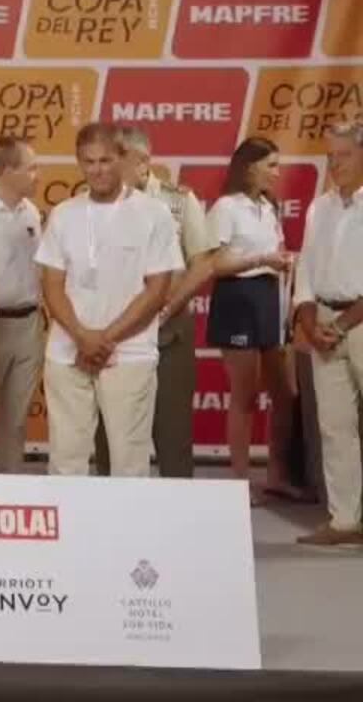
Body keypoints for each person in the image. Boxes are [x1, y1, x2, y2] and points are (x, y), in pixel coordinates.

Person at [35, 122, 183, 478]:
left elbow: (157, 289)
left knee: (128, 460)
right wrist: (83, 337)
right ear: (79, 163)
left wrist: (105, 339)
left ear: (123, 159)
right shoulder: (64, 214)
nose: (97, 170)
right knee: (65, 458)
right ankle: (69, 532)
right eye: (88, 162)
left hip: (129, 352)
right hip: (67, 350)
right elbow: (52, 284)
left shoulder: (154, 214)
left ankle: (125, 535)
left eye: (105, 160)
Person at [161, 137, 299, 503]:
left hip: (270, 298)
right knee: (246, 394)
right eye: (271, 165)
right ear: (250, 167)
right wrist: (260, 260)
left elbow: (271, 252)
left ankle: (276, 475)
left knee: (284, 394)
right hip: (238, 299)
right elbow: (215, 264)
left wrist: (280, 260)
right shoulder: (226, 207)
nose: (277, 172)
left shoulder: (269, 207)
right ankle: (240, 479)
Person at [106, 125, 210, 478]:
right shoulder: (97, 203)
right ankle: (110, 517)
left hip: (169, 333)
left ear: (143, 160)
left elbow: (202, 263)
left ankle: (176, 520)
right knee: (110, 435)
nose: (109, 167)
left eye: (118, 158)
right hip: (114, 333)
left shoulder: (179, 201)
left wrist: (169, 306)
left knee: (172, 433)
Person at [291, 121, 363, 547]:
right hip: (323, 324)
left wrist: (340, 325)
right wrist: (308, 321)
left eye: (345, 156)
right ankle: (345, 520)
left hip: (355, 322)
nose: (336, 165)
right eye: (331, 157)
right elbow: (306, 270)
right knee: (335, 427)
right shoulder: (320, 208)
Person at [0, 135, 44, 473]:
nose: (38, 174)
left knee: (16, 422)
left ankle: (8, 492)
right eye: (31, 168)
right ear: (5, 171)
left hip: (29, 324)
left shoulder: (31, 211)